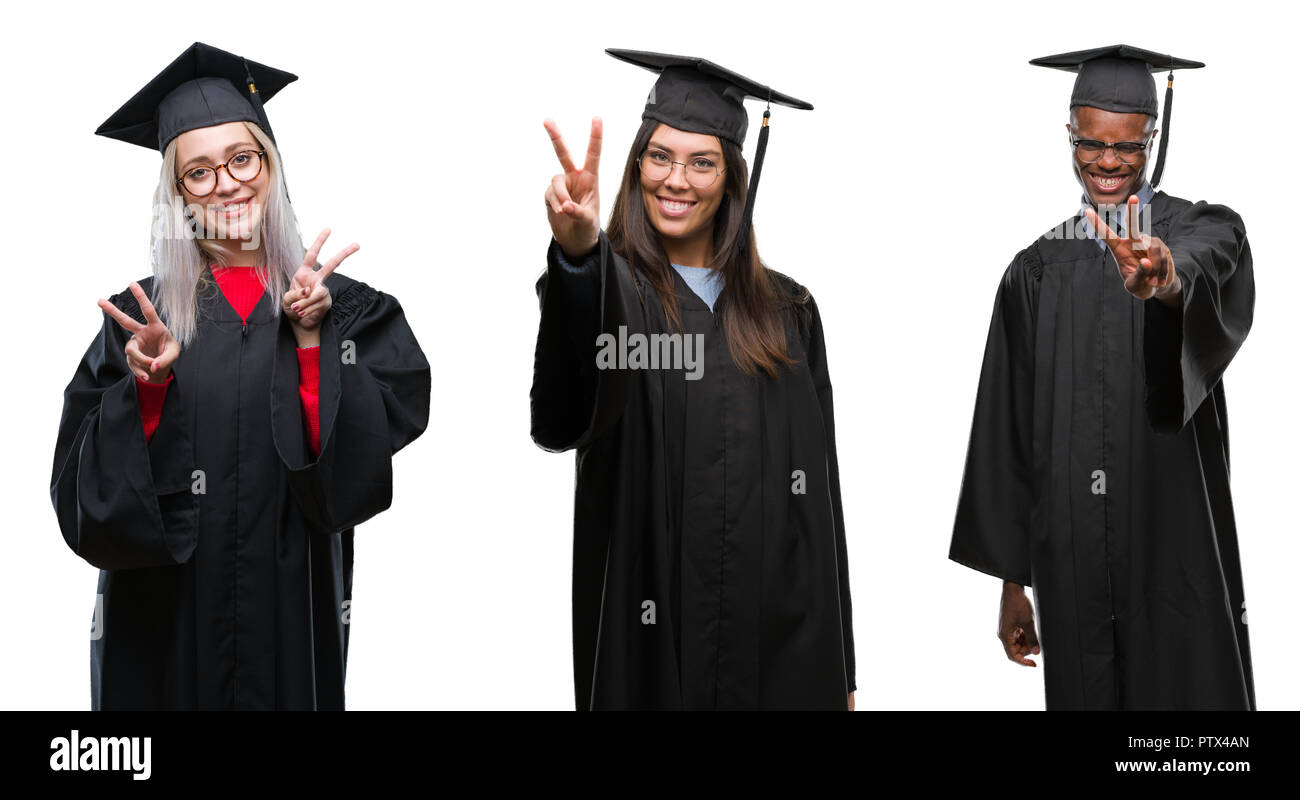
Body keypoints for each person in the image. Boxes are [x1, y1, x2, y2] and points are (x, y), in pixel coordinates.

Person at [49, 42, 431, 710]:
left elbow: (361, 468)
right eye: (197, 173)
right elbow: (85, 502)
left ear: (270, 165)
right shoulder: (137, 325)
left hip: (288, 616)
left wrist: (313, 339)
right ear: (177, 197)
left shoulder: (344, 307)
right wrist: (145, 389)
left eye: (241, 159)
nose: (225, 183)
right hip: (164, 625)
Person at [531, 49, 854, 710]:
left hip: (782, 650)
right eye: (659, 156)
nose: (675, 180)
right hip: (651, 647)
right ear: (636, 165)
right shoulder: (611, 294)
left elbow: (822, 499)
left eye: (701, 161)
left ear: (732, 178)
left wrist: (842, 665)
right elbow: (559, 419)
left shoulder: (789, 314)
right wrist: (576, 258)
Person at [949, 44, 1255, 709]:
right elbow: (1008, 435)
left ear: (1154, 136)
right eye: (1091, 143)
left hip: (1173, 545)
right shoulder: (1033, 271)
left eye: (1128, 145)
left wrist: (1166, 275)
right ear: (1069, 135)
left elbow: (1208, 263)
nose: (1108, 162)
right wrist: (1012, 582)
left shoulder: (1202, 229)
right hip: (1071, 559)